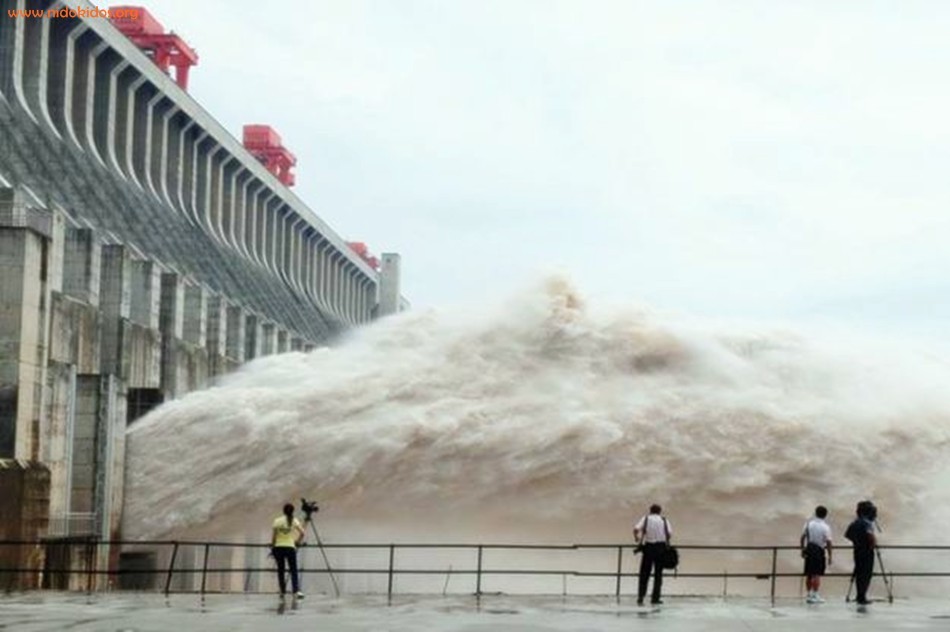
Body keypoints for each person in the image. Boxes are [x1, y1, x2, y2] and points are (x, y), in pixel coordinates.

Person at [633, 504, 672, 606]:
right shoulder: (664, 520)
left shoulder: (645, 519)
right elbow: (669, 534)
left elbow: (636, 529)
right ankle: (655, 598)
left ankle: (641, 597)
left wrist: (637, 538)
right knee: (658, 575)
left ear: (650, 511)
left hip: (648, 548)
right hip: (660, 548)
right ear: (660, 511)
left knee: (644, 573)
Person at [844, 500, 877, 606]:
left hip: (857, 550)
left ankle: (859, 595)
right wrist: (872, 545)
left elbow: (847, 534)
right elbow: (870, 536)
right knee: (866, 574)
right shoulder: (867, 523)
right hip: (867, 551)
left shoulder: (855, 522)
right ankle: (862, 597)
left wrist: (856, 541)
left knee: (858, 573)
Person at [271, 503, 306, 599]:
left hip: (278, 548)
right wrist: (297, 542)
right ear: (293, 511)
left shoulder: (277, 521)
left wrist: (273, 546)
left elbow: (274, 537)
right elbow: (303, 533)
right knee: (293, 570)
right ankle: (296, 591)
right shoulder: (294, 521)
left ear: (283, 511)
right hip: (290, 547)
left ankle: (282, 591)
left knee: (281, 570)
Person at [800, 505, 833, 603]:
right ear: (825, 515)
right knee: (817, 574)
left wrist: (802, 549)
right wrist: (830, 555)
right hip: (819, 550)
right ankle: (815, 594)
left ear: (815, 513)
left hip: (809, 548)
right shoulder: (825, 527)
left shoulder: (808, 524)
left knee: (809, 573)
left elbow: (802, 538)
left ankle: (809, 594)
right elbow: (828, 542)